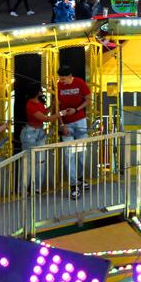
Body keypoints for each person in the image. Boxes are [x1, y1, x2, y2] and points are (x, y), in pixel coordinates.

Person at [21, 88, 70, 194]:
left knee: (41, 161)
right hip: (31, 133)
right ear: (35, 93)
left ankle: (37, 188)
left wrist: (52, 105)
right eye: (40, 91)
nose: (42, 93)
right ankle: (24, 189)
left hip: (40, 132)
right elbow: (45, 118)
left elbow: (44, 113)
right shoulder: (30, 104)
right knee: (29, 162)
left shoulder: (39, 103)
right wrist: (61, 114)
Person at [56, 66, 91, 199]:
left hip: (80, 121)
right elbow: (57, 107)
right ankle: (73, 185)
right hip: (67, 124)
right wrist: (62, 124)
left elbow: (88, 99)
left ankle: (80, 178)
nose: (61, 81)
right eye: (60, 78)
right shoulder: (59, 86)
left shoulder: (80, 82)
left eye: (63, 79)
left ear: (70, 76)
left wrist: (76, 110)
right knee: (68, 155)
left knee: (82, 154)